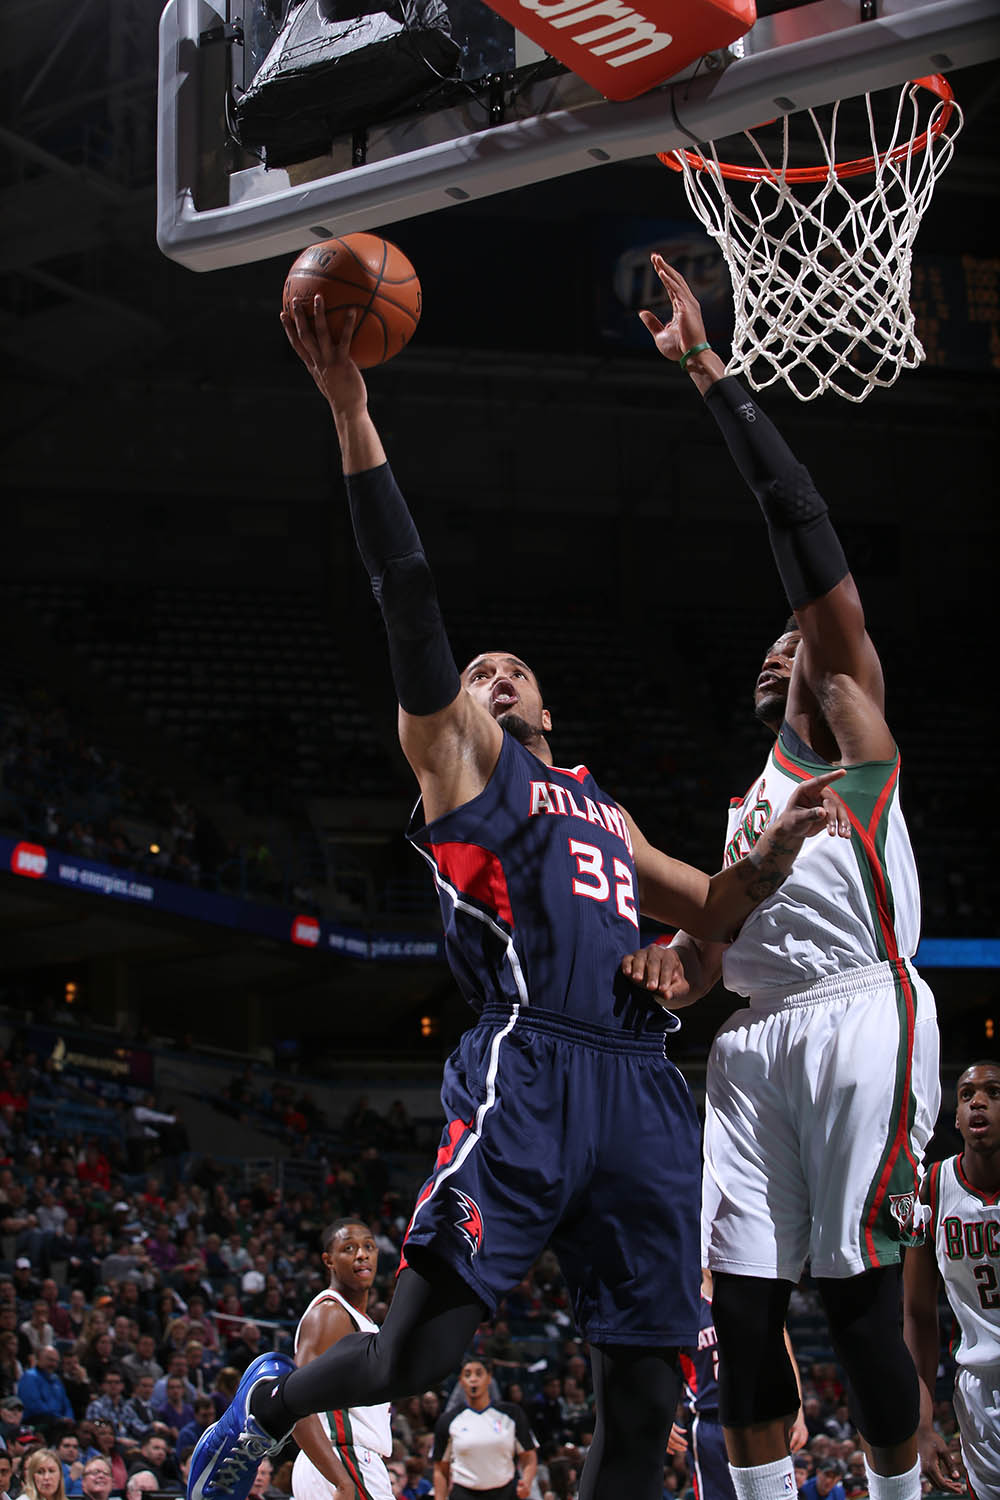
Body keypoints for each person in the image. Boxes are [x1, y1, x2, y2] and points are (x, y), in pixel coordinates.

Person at [189, 283, 847, 1500]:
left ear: (548, 709)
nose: (487, 674)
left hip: (644, 1087)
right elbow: (411, 598)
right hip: (527, 1069)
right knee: (419, 1357)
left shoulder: (602, 805)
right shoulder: (458, 764)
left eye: (511, 669)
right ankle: (273, 1399)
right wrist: (351, 409)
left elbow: (709, 910)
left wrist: (775, 853)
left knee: (647, 1391)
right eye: (477, 671)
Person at [622, 257, 942, 1500]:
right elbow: (705, 962)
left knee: (860, 1304)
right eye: (776, 642)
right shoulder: (747, 808)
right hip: (750, 1050)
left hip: (864, 1012)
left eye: (794, 637)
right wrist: (669, 974)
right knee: (741, 1315)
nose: (785, 646)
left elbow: (801, 539)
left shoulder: (846, 724)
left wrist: (708, 373)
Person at [903, 1058, 1000, 1497]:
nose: (978, 1101)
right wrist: (922, 1424)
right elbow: (919, 1314)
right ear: (956, 1117)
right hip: (980, 1391)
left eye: (993, 1093)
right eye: (966, 1095)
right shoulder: (935, 1186)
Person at [290, 1220, 385, 1500]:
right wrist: (341, 1481)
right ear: (328, 1260)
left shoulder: (361, 1321)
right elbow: (294, 1402)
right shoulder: (330, 1315)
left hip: (340, 1462)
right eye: (349, 1248)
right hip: (342, 1459)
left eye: (368, 1246)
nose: (361, 1254)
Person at [432, 1358, 536, 1500]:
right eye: (467, 1375)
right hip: (464, 1493)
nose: (473, 1379)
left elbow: (529, 1456)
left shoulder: (512, 1414)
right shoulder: (448, 1420)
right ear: (461, 1381)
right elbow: (440, 1468)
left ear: (489, 1378)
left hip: (505, 1493)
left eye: (479, 1374)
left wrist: (527, 1483)